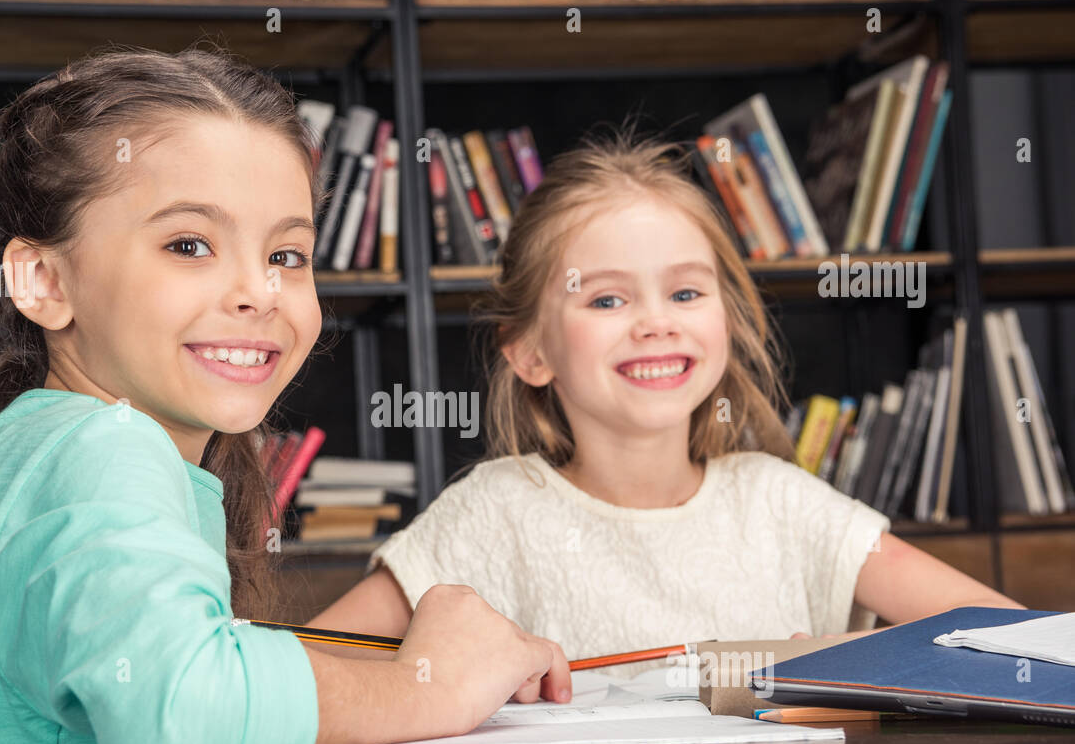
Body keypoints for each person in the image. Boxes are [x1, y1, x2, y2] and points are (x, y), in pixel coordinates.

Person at [0, 43, 570, 744]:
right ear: (45, 282)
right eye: (190, 244)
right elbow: (179, 711)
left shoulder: (48, 441)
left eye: (286, 255)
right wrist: (431, 687)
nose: (259, 292)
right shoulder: (99, 451)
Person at [308, 123, 1023, 672]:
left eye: (685, 292)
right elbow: (309, 664)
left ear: (727, 318)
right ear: (528, 350)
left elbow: (1025, 645)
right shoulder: (493, 514)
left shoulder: (781, 504)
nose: (656, 322)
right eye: (608, 298)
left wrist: (851, 664)